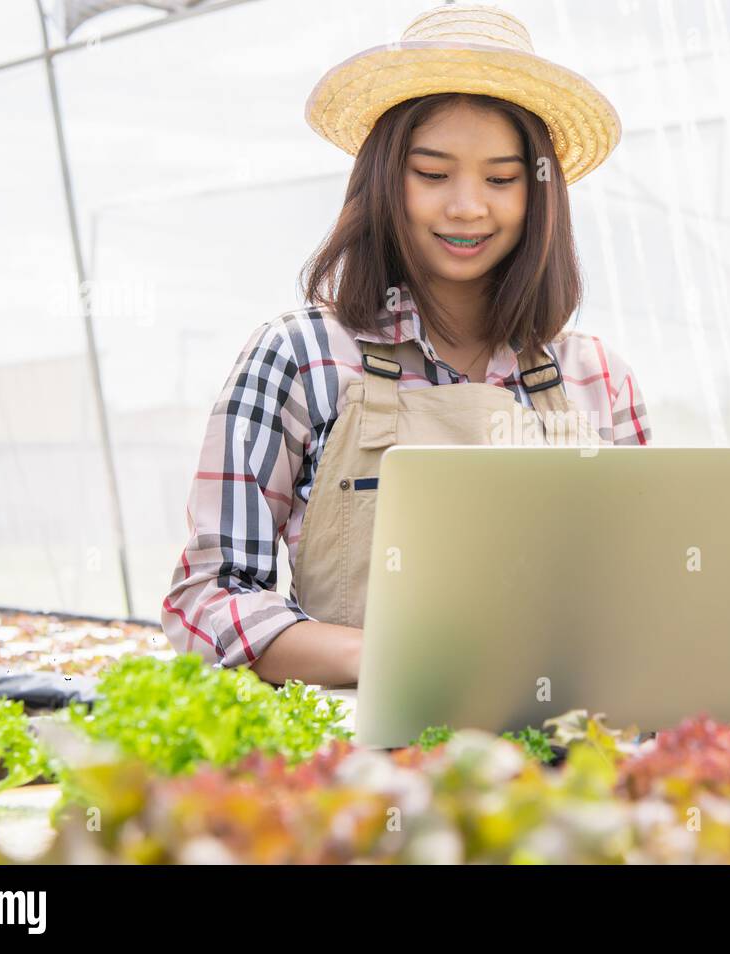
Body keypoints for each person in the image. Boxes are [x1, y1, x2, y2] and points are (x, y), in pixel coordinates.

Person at [161, 2, 651, 687]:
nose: (466, 207)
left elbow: (645, 593)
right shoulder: (302, 357)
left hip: (563, 743)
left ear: (540, 196)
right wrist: (383, 657)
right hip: (364, 754)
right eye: (432, 173)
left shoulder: (596, 377)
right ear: (385, 182)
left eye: (502, 179)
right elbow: (209, 600)